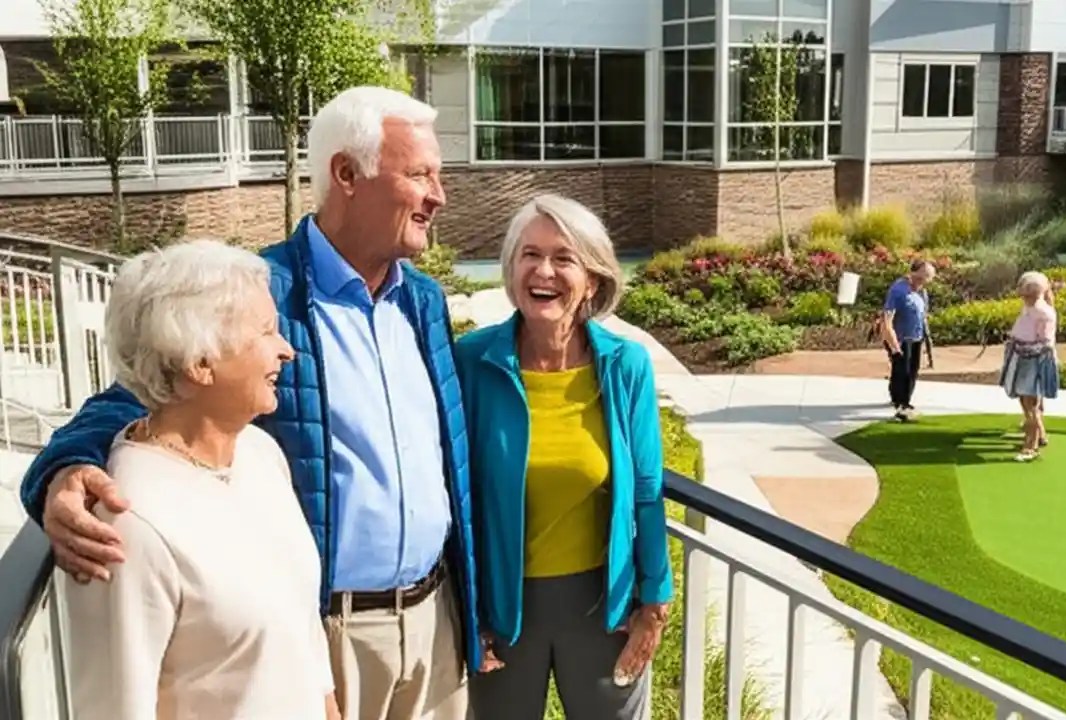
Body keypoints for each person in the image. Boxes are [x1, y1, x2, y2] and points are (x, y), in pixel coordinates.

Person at [19, 86, 483, 720]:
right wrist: (64, 469)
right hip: (330, 632)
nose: (440, 196)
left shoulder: (421, 301)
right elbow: (148, 388)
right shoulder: (257, 297)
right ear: (347, 174)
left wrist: (474, 605)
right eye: (420, 175)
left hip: (436, 621)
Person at [59, 239, 335, 720]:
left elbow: (302, 632)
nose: (287, 350)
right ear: (199, 363)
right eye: (265, 333)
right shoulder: (129, 523)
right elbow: (115, 707)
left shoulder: (258, 453)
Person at [455, 194, 674, 720]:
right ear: (511, 270)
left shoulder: (625, 366)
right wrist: (466, 611)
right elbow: (454, 494)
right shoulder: (472, 362)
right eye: (529, 254)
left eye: (564, 258)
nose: (544, 271)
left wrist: (654, 604)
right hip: (503, 613)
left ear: (592, 280)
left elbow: (647, 492)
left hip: (604, 608)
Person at [998, 271, 1059, 462]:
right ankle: (1039, 435)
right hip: (1022, 358)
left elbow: (1046, 343)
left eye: (1026, 293)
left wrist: (1021, 346)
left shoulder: (1044, 313)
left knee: (1030, 403)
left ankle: (1030, 446)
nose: (1023, 297)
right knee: (1025, 402)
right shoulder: (1029, 308)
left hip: (1033, 361)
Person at [880, 259, 935, 422]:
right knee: (901, 371)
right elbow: (887, 319)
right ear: (913, 273)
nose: (923, 281)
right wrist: (894, 346)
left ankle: (905, 402)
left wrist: (926, 338)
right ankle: (901, 405)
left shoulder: (921, 292)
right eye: (922, 277)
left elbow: (922, 316)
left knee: (912, 371)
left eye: (927, 278)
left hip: (916, 337)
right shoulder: (898, 290)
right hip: (900, 338)